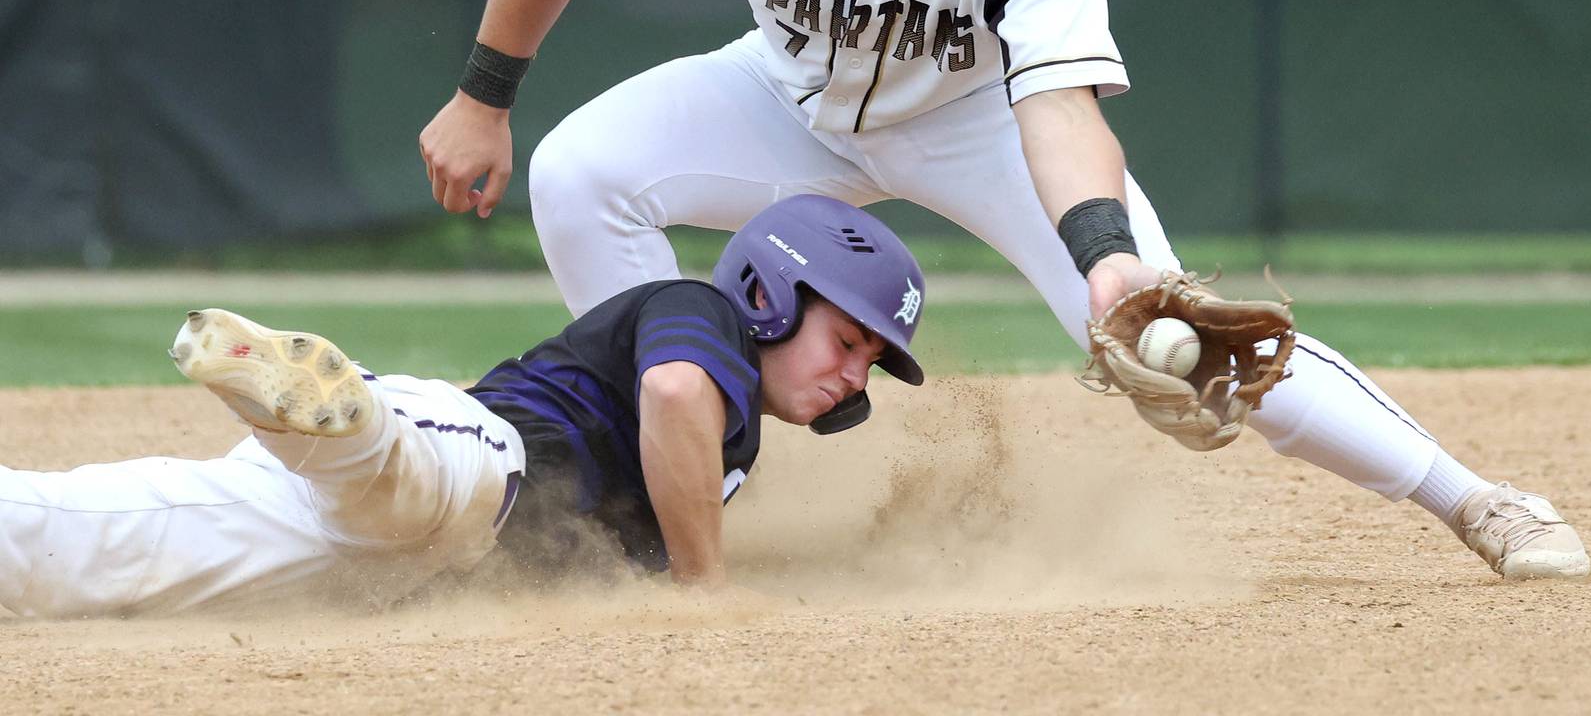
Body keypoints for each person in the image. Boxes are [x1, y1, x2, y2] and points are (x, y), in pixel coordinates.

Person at [417, 0, 1589, 580]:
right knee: (579, 172)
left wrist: (1108, 260)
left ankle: (1474, 497)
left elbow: (1060, 110)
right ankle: (683, 472)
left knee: (1178, 342)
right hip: (778, 96)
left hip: (976, 120)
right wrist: (483, 96)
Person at [0, 195, 925, 618]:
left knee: (83, 547)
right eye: (848, 342)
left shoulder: (735, 443)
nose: (853, 377)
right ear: (769, 293)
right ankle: (336, 408)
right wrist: (707, 588)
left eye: (871, 362)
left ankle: (314, 420)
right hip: (485, 459)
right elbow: (675, 390)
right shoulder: (703, 316)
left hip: (375, 566)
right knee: (419, 478)